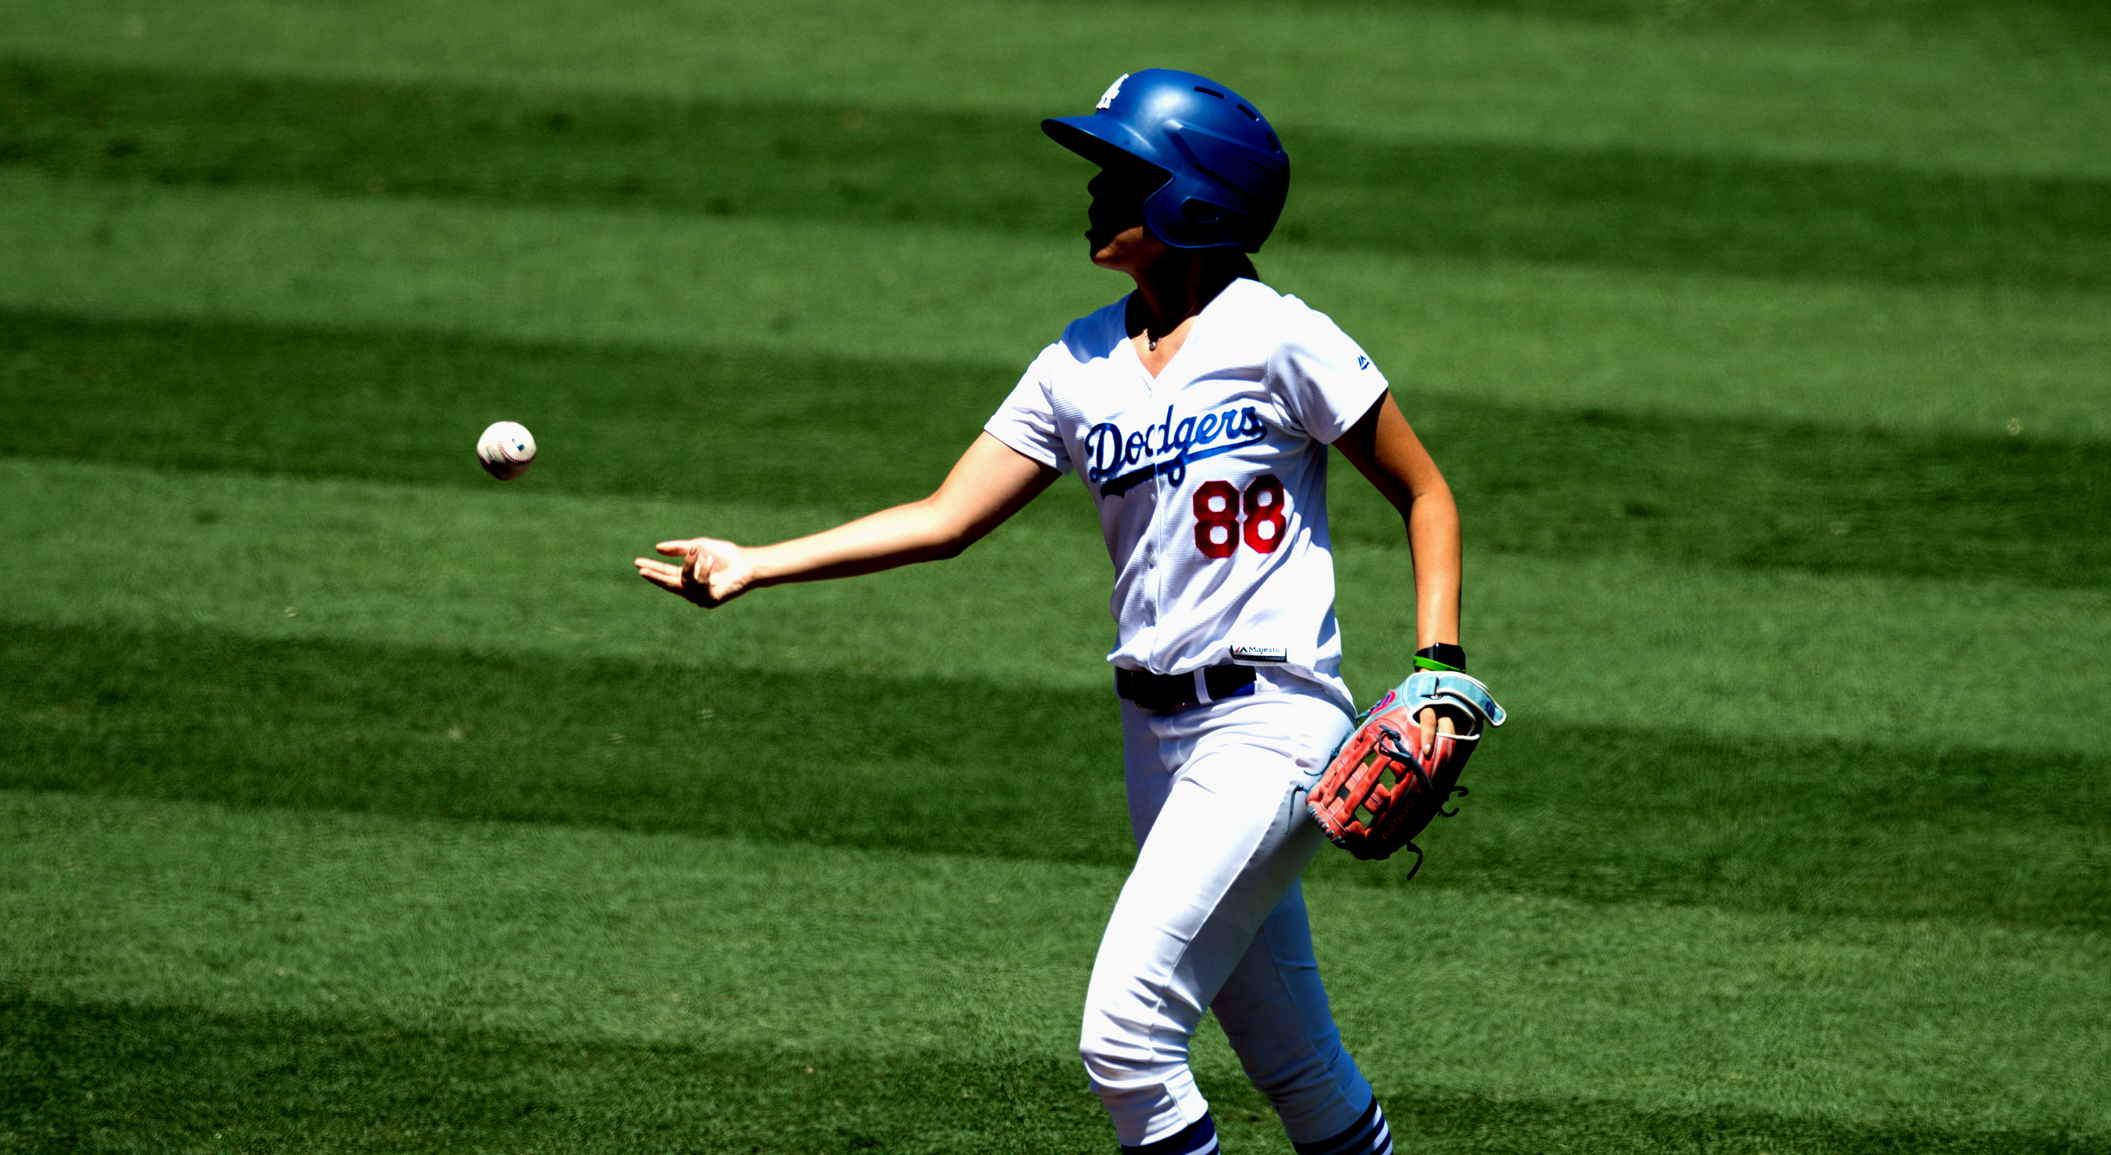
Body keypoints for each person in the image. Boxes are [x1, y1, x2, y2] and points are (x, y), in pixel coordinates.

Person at [635, 68, 1462, 1155]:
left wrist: (1437, 665)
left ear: (1196, 199)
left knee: (1125, 1038)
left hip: (1271, 727)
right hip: (1154, 746)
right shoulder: (1076, 363)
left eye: (1120, 172)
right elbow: (944, 517)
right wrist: (756, 563)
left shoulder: (1279, 337)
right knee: (1293, 1060)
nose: (1091, 191)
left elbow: (1423, 490)